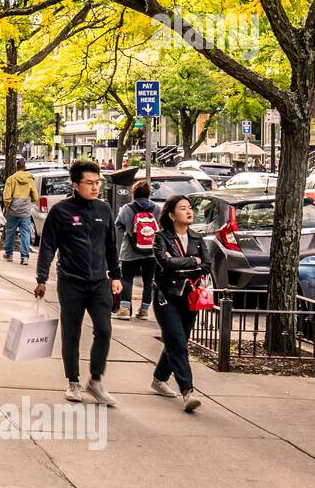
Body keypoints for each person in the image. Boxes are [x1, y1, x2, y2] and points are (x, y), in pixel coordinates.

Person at [34, 159, 122, 405]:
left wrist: (116, 276)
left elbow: (111, 246)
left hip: (99, 283)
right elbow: (48, 246)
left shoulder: (104, 210)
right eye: (89, 183)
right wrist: (42, 278)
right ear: (75, 184)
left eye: (97, 183)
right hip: (71, 283)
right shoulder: (61, 212)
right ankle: (73, 382)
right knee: (71, 333)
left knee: (104, 330)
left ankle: (95, 380)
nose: (95, 188)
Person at [152, 194, 209, 412]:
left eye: (190, 208)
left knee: (178, 341)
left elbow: (207, 265)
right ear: (171, 214)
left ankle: (158, 379)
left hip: (189, 297)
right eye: (183, 208)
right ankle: (188, 392)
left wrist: (182, 264)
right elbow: (165, 263)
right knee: (177, 342)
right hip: (166, 297)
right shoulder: (161, 237)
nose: (189, 211)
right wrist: (192, 261)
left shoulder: (197, 238)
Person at [114, 178, 158, 320]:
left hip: (130, 250)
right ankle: (144, 311)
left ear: (133, 193)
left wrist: (130, 232)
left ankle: (125, 310)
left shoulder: (127, 208)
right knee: (148, 280)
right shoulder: (156, 208)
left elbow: (118, 225)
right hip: (151, 250)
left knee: (126, 279)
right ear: (149, 194)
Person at [2, 157, 39, 266]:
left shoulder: (11, 179)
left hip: (13, 210)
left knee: (10, 232)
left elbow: (6, 196)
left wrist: (8, 206)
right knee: (25, 233)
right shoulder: (30, 179)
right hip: (25, 210)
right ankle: (24, 257)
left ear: (17, 167)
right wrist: (30, 201)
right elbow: (35, 196)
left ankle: (9, 253)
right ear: (25, 167)